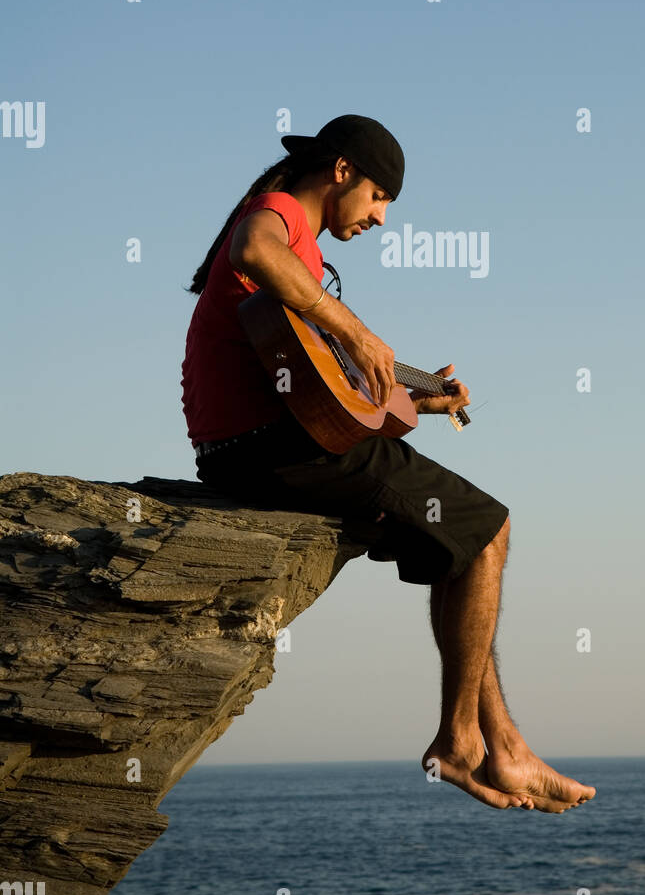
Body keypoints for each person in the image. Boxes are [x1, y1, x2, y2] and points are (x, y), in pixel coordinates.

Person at [182, 114, 595, 814]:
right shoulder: (278, 215)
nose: (380, 219)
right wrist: (357, 329)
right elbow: (253, 248)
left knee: (460, 546)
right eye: (378, 198)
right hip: (276, 451)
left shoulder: (301, 252)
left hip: (251, 450)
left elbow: (330, 391)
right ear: (341, 170)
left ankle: (508, 748)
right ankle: (461, 742)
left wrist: (421, 401)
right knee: (490, 529)